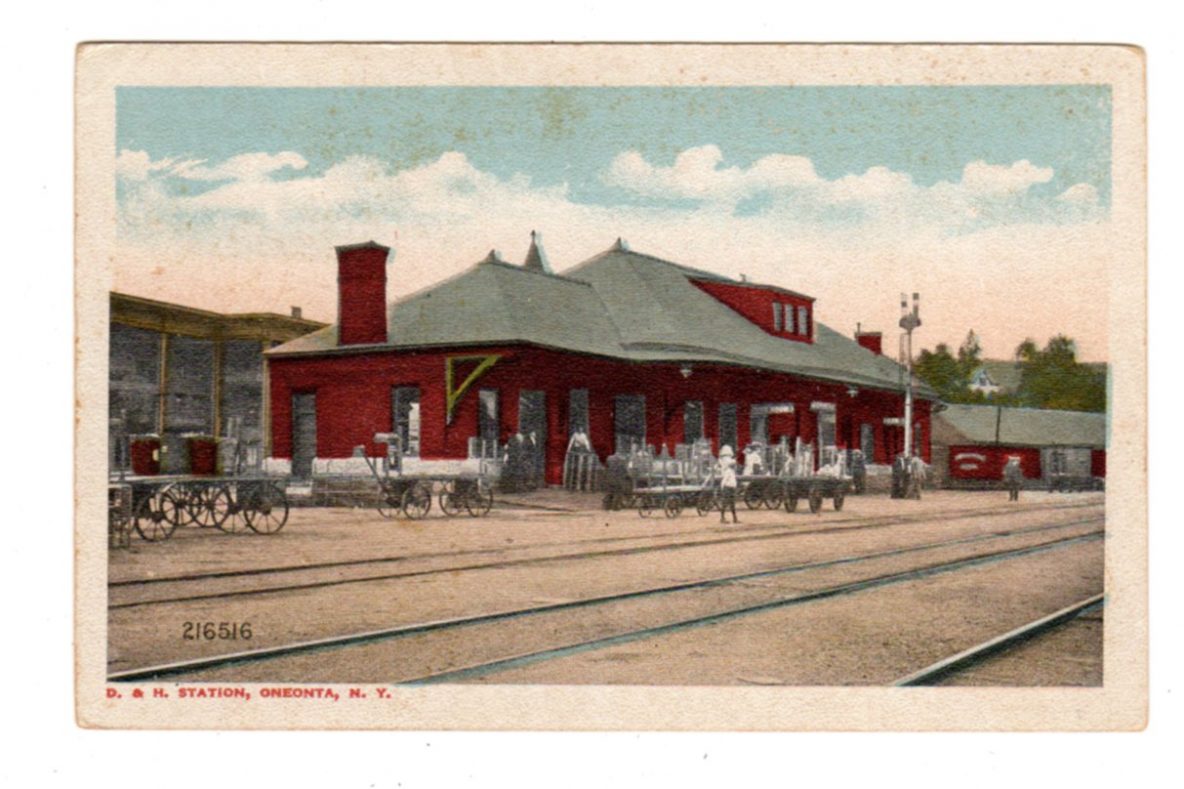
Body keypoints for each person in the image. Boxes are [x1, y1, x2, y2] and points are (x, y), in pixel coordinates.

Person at [718, 444, 739, 524]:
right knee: (727, 503)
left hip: (730, 488)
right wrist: (722, 487)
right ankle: (724, 518)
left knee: (730, 503)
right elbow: (724, 481)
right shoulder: (729, 470)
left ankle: (734, 518)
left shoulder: (723, 461)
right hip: (728, 488)